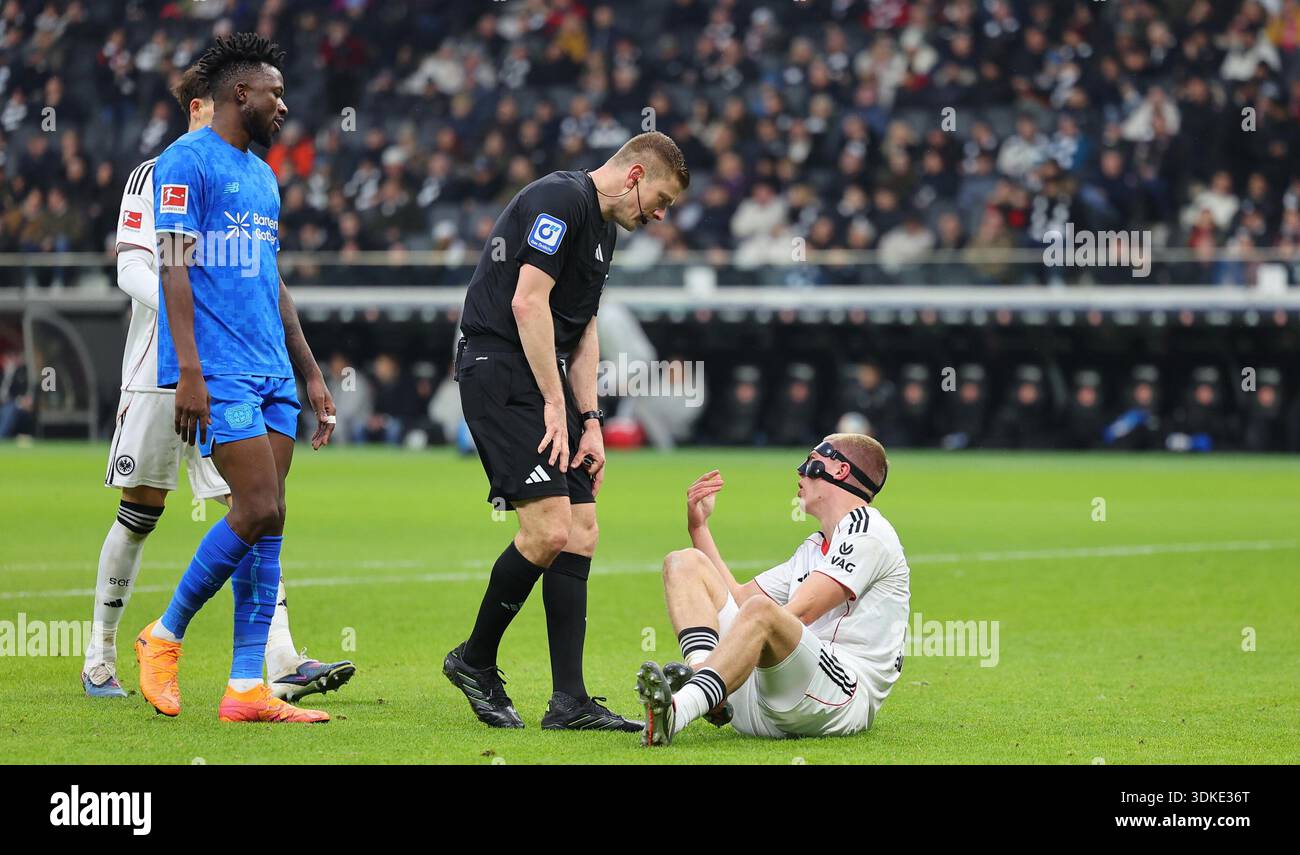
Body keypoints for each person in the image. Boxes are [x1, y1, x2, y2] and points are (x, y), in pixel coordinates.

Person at [84, 62, 354, 704]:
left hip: (242, 367)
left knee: (258, 507)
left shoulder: (258, 176)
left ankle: (274, 663)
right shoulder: (159, 173)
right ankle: (101, 652)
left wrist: (306, 367)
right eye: (271, 95)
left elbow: (266, 276)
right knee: (142, 512)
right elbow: (133, 269)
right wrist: (200, 332)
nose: (279, 107)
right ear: (204, 104)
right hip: (164, 370)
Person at [444, 132, 689, 730]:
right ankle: (474, 660)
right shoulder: (560, 200)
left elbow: (580, 332)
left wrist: (590, 421)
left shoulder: (602, 230)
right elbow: (529, 305)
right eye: (660, 199)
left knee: (581, 529)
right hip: (499, 369)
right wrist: (554, 405)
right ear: (634, 175)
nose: (660, 215)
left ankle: (569, 701)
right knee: (550, 526)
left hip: (540, 375)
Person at [637, 434, 910, 745]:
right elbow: (741, 600)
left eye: (813, 460)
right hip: (778, 696)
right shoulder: (812, 546)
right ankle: (706, 685)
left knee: (762, 613)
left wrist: (743, 641)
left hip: (837, 698)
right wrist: (699, 528)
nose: (801, 471)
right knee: (684, 563)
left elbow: (801, 612)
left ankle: (681, 708)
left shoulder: (868, 529)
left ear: (840, 471)